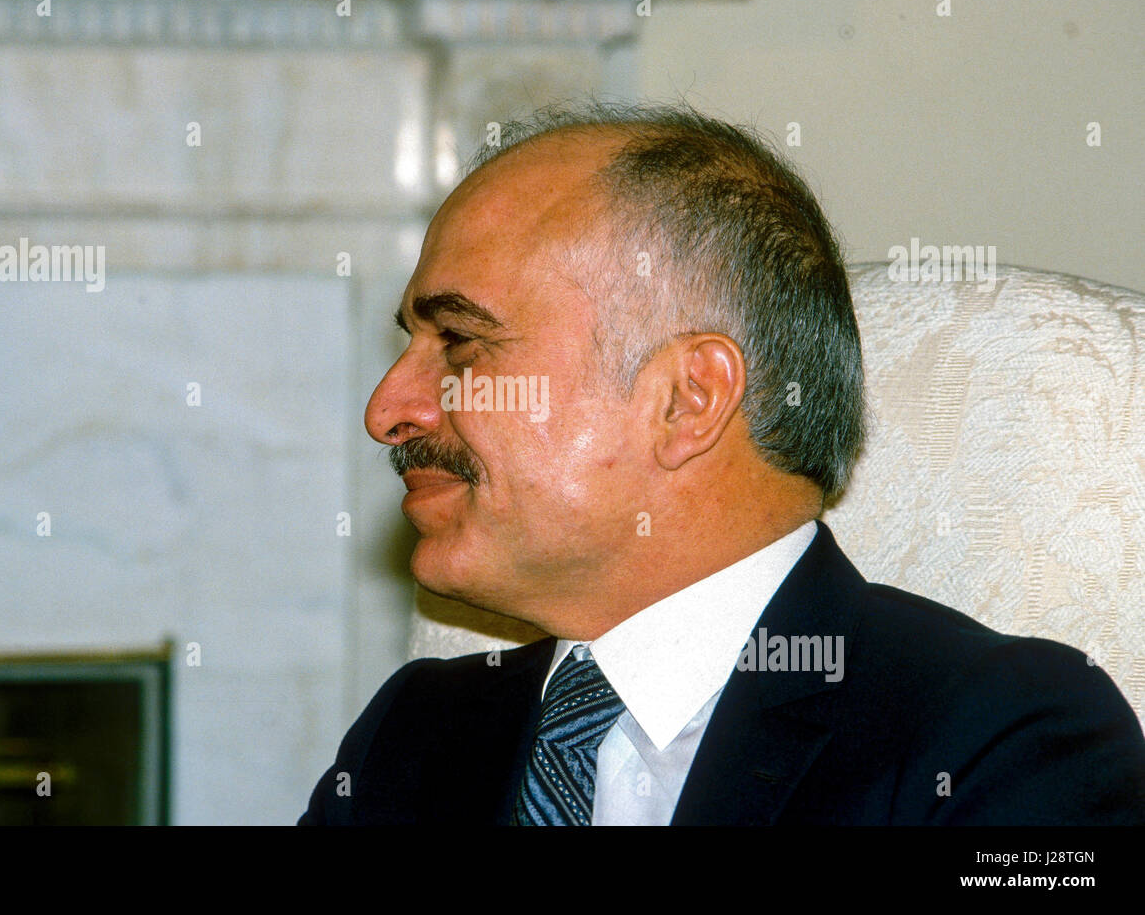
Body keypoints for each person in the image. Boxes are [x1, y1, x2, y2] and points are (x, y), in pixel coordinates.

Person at [300, 101, 1145, 825]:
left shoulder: (1002, 739)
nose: (387, 411)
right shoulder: (414, 735)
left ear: (688, 399)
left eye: (459, 343)